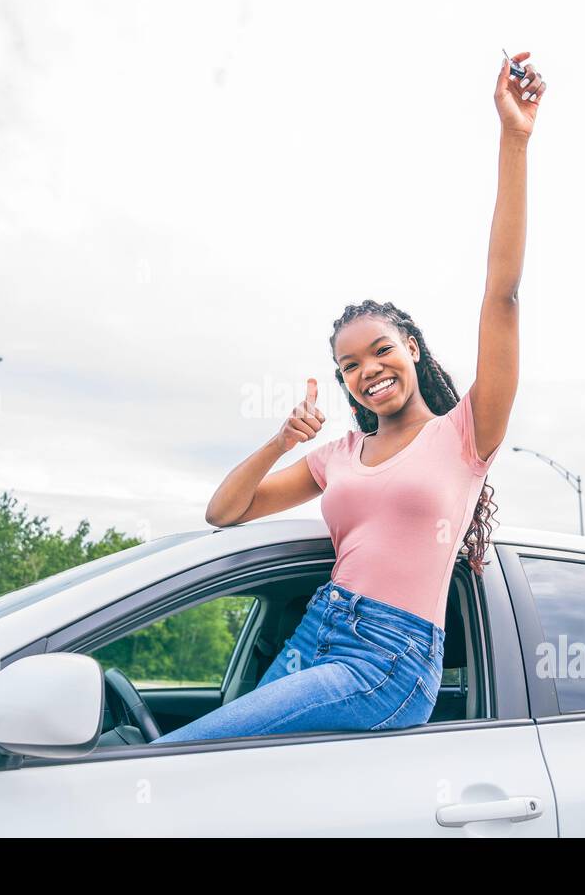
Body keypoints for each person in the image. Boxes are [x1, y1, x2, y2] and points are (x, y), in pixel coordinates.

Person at [149, 51, 546, 745]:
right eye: (349, 365)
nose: (369, 371)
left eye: (382, 351)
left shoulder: (465, 435)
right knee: (220, 777)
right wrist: (282, 441)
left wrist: (513, 141)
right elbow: (223, 512)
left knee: (181, 755)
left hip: (386, 662)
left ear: (413, 349)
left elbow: (502, 294)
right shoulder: (338, 454)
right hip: (321, 630)